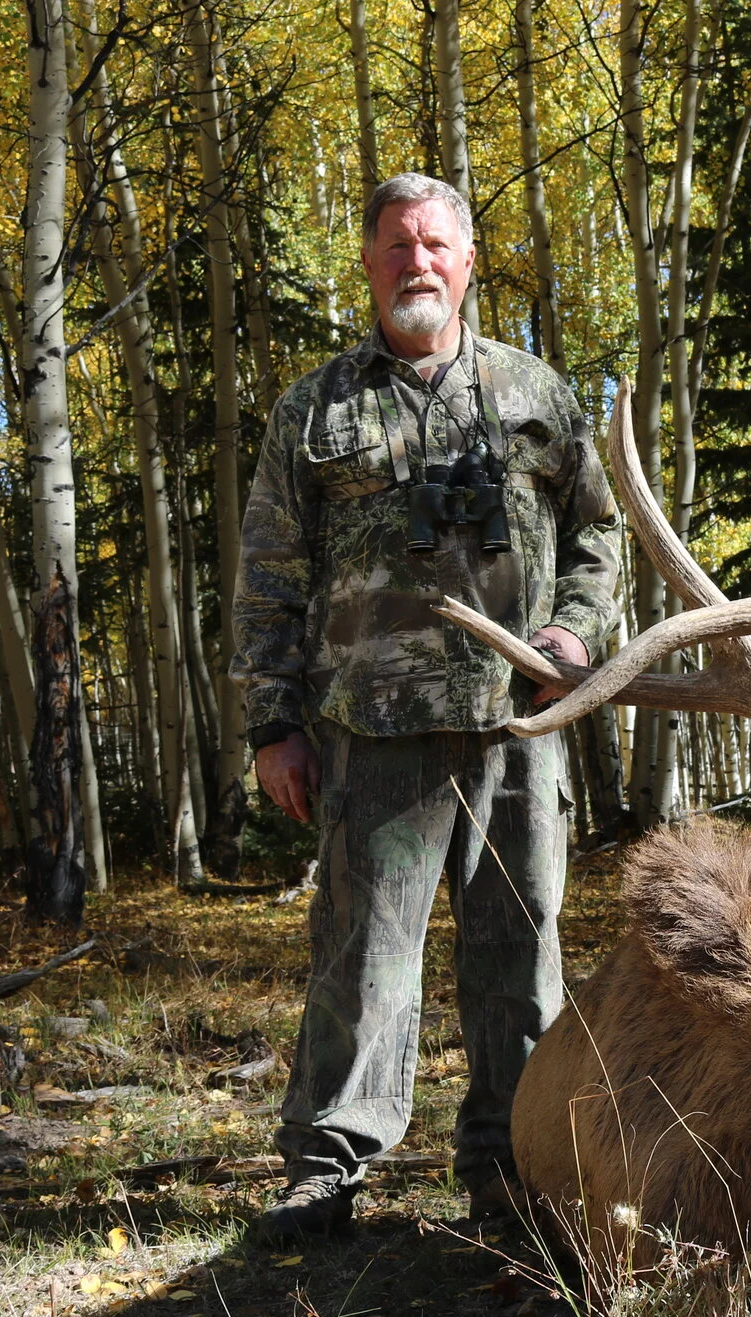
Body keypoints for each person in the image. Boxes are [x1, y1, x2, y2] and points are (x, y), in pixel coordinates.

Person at [230, 172, 621, 1242]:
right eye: (397, 245)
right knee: (362, 960)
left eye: (437, 244)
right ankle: (325, 1170)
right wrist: (274, 723)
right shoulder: (315, 410)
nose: (418, 262)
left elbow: (598, 534)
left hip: (515, 729)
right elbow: (268, 569)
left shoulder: (536, 391)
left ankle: (519, 1171)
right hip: (370, 734)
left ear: (468, 261)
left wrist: (576, 638)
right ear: (368, 262)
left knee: (520, 953)